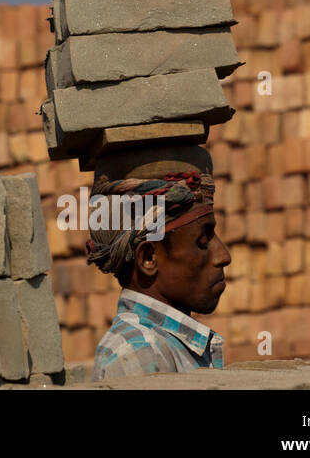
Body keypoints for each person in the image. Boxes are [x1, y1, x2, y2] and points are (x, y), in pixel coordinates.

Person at [87, 147, 232, 380]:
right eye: (203, 241)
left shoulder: (163, 347)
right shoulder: (140, 354)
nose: (223, 256)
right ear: (148, 258)